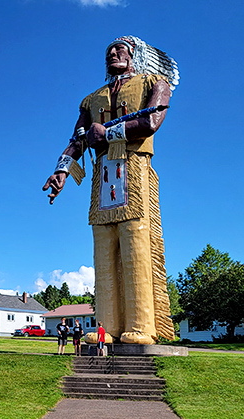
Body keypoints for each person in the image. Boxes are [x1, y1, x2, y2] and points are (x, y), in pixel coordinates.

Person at [43, 36, 178, 345]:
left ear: (135, 55)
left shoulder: (154, 82)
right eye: (108, 51)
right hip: (102, 179)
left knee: (135, 245)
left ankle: (141, 326)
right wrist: (61, 171)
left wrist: (107, 132)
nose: (113, 54)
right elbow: (78, 140)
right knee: (103, 252)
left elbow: (151, 120)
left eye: (120, 49)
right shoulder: (92, 100)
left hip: (134, 169)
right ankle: (106, 328)